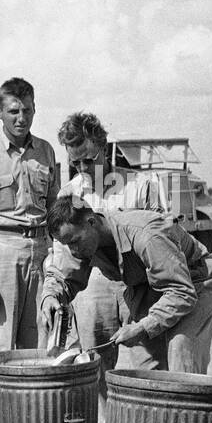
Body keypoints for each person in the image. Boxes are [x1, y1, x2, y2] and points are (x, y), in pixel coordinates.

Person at [41, 197, 212, 373]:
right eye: (67, 245)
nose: (73, 250)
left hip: (195, 281)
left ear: (91, 222)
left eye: (74, 242)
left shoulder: (147, 234)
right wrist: (51, 296)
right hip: (151, 286)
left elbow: (181, 292)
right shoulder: (81, 238)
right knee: (149, 369)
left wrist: (142, 326)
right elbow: (64, 276)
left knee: (181, 356)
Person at [51, 112, 168, 380]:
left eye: (89, 160)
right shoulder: (70, 194)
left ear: (104, 148)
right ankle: (103, 422)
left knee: (149, 362)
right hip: (91, 285)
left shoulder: (142, 185)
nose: (82, 168)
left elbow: (161, 242)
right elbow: (62, 256)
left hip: (140, 286)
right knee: (94, 364)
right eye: (75, 162)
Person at [0, 77, 59, 352]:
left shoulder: (45, 151)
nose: (21, 118)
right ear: (0, 113)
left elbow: (54, 210)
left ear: (34, 109)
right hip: (2, 251)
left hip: (40, 251)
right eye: (14, 111)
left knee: (41, 344)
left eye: (27, 110)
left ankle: (34, 397)